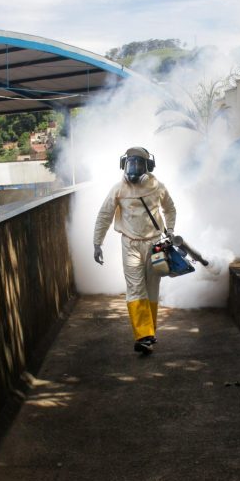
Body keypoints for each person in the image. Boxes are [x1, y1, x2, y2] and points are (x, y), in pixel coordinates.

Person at [93, 146, 177, 354]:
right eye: (131, 163)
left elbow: (170, 209)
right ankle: (143, 336)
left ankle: (149, 332)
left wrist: (172, 230)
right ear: (124, 164)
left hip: (154, 244)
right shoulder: (118, 189)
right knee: (135, 288)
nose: (134, 168)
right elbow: (105, 215)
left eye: (139, 163)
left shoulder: (158, 187)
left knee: (151, 288)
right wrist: (97, 243)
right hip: (130, 244)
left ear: (148, 166)